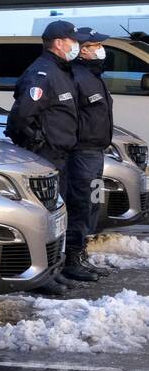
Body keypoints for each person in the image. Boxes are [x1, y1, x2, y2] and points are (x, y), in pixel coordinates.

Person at [6, 20, 91, 286]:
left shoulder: (60, 71)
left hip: (60, 158)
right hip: (46, 157)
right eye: (72, 41)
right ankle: (43, 278)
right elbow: (20, 118)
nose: (76, 46)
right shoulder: (42, 73)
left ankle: (55, 270)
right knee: (44, 220)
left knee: (55, 219)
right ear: (58, 43)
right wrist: (36, 142)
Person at [68, 27, 115, 278]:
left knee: (93, 204)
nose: (100, 49)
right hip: (82, 154)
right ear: (82, 50)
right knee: (81, 204)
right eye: (95, 45)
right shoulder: (76, 76)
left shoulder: (94, 76)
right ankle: (72, 258)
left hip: (96, 153)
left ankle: (81, 252)